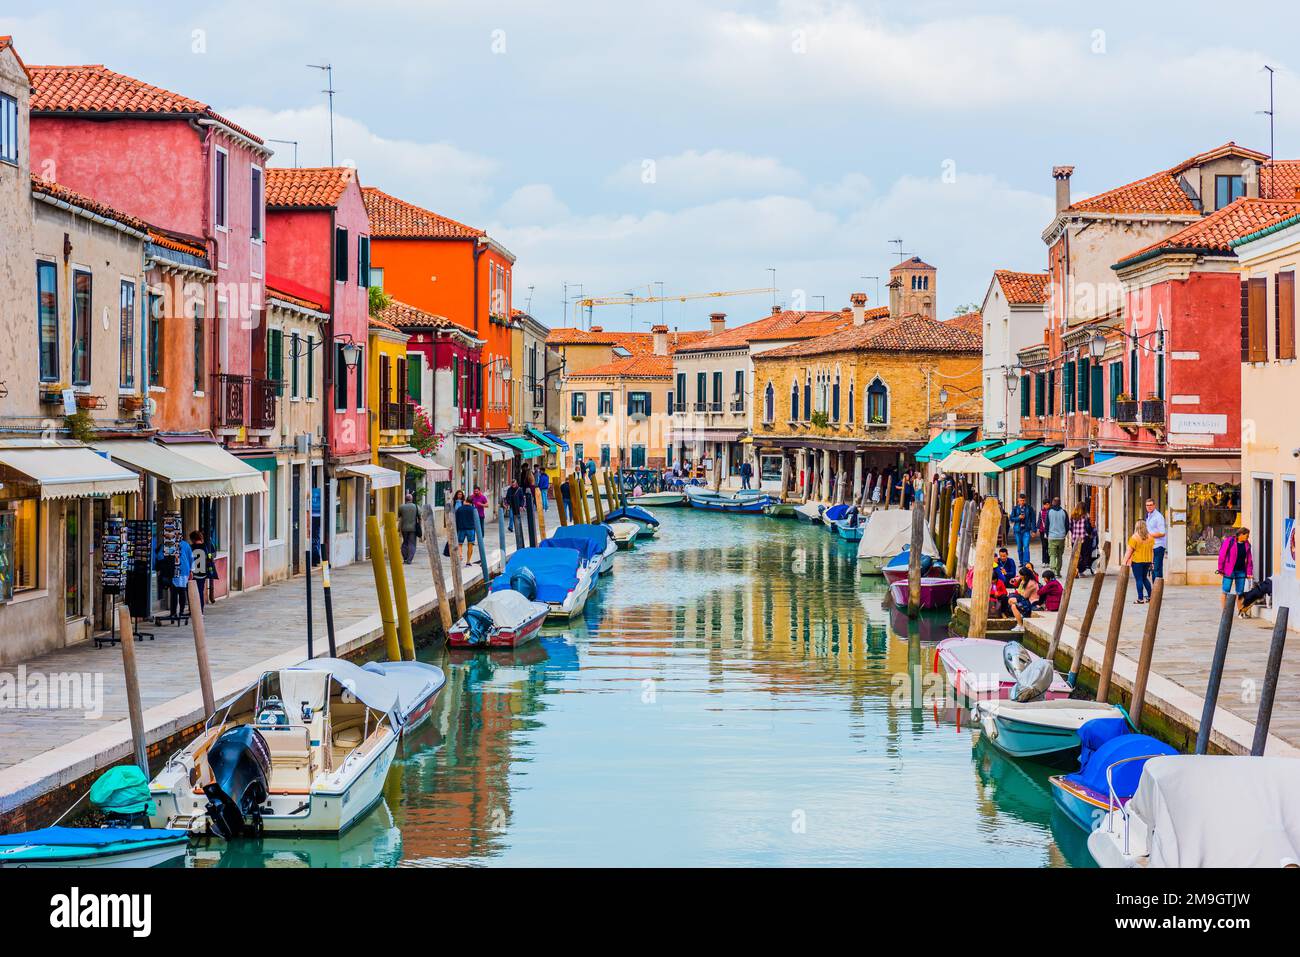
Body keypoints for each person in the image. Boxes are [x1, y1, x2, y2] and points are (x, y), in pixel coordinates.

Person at [1217, 527, 1253, 610]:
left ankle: (1240, 611)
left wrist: (1249, 572)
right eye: (1246, 536)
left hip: (1241, 571)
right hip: (1229, 570)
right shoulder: (1230, 541)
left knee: (1240, 593)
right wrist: (1220, 569)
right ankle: (1225, 612)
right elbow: (1222, 555)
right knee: (1225, 591)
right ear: (1241, 534)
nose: (1247, 538)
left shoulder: (1247, 544)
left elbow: (1249, 559)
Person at [1124, 520, 1155, 604]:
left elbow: (1129, 552)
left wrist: (1124, 562)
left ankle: (1140, 598)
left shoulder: (1134, 538)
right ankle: (1150, 597)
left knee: (1139, 579)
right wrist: (1152, 562)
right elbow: (1152, 551)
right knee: (1144, 578)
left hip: (1137, 561)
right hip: (1147, 561)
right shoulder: (1151, 538)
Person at [453, 490, 479, 566]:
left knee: (460, 544)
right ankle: (468, 561)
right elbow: (476, 521)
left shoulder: (459, 509)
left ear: (465, 501)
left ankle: (460, 555)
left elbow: (456, 520)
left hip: (461, 529)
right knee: (470, 545)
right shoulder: (473, 509)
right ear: (471, 503)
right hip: (471, 529)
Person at [1045, 497, 1069, 573]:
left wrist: (1047, 534)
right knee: (1059, 555)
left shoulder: (1049, 512)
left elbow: (1046, 525)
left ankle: (1053, 570)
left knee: (1052, 554)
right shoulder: (1064, 512)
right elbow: (1067, 525)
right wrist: (1064, 534)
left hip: (1052, 537)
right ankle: (1058, 572)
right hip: (1061, 537)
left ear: (1052, 503)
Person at [1145, 498, 1167, 579]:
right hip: (1152, 546)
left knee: (1157, 569)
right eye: (1147, 505)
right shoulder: (1148, 516)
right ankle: (1155, 590)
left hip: (1158, 546)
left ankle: (1157, 590)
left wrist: (1149, 535)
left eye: (1151, 505)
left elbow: (1162, 532)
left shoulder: (1158, 517)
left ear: (1154, 505)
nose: (1149, 507)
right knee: (1154, 568)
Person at [1009, 492, 1033, 568]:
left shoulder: (1029, 508)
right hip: (1018, 531)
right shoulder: (1015, 508)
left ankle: (1026, 562)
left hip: (1026, 530)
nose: (1022, 502)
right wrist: (1018, 518)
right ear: (1018, 500)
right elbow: (1011, 518)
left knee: (1026, 546)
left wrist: (1034, 530)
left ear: (1025, 500)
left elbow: (1033, 518)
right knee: (1019, 547)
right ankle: (1021, 562)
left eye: (1023, 500)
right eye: (1021, 500)